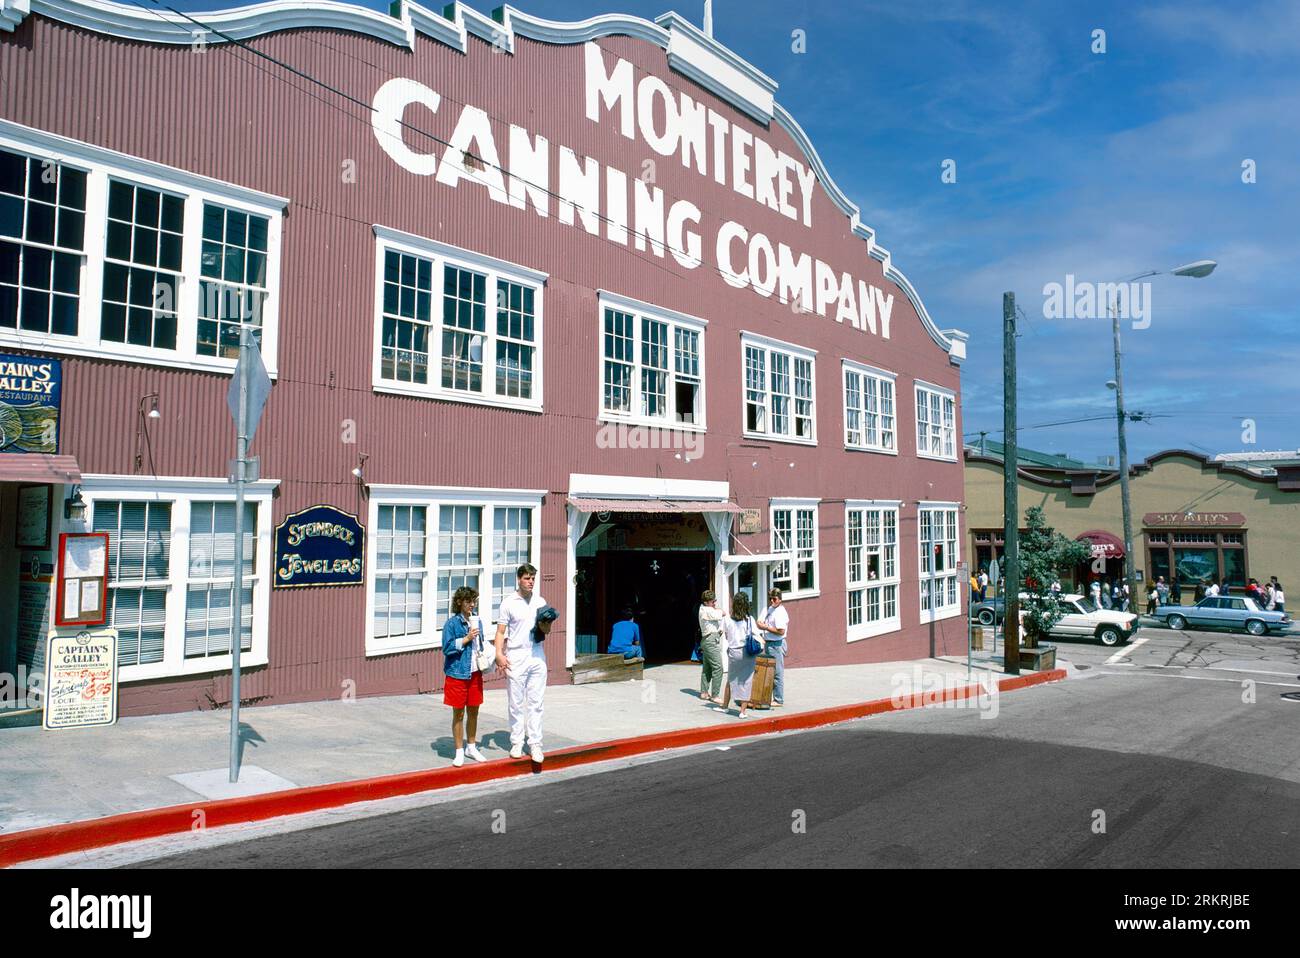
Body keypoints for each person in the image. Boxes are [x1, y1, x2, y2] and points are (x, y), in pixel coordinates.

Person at [494, 563, 548, 764]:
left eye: (533, 578)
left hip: (536, 653)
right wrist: (499, 653)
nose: (531, 581)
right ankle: (516, 741)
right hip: (515, 655)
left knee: (536, 702)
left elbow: (546, 631)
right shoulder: (508, 603)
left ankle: (535, 743)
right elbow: (500, 632)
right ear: (519, 579)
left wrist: (546, 624)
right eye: (527, 578)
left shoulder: (540, 601)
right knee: (515, 702)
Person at [441, 586, 489, 767]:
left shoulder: (478, 621)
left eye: (474, 601)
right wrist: (466, 638)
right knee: (458, 713)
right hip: (457, 673)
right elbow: (446, 648)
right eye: (469, 601)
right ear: (460, 602)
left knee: (474, 711)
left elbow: (480, 647)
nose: (472, 605)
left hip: (475, 672)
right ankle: (459, 750)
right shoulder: (452, 624)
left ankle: (471, 746)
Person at [714, 592, 760, 719]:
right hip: (747, 652)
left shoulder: (727, 619)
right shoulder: (750, 620)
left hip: (734, 652)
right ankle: (742, 711)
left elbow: (723, 634)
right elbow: (756, 635)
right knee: (747, 680)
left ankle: (725, 706)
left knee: (731, 679)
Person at [757, 588, 790, 707]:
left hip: (777, 644)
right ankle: (770, 696)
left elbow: (781, 631)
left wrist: (765, 627)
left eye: (774, 599)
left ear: (780, 599)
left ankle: (778, 699)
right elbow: (759, 622)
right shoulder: (770, 609)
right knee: (770, 671)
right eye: (770, 598)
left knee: (777, 673)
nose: (772, 601)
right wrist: (762, 625)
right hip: (769, 643)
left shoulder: (780, 612)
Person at [697, 590, 726, 703]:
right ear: (706, 602)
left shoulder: (703, 609)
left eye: (715, 601)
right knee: (718, 668)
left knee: (707, 668)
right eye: (712, 601)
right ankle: (715, 695)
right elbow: (723, 613)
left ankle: (704, 692)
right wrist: (716, 609)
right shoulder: (707, 610)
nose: (714, 603)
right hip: (710, 640)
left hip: (708, 639)